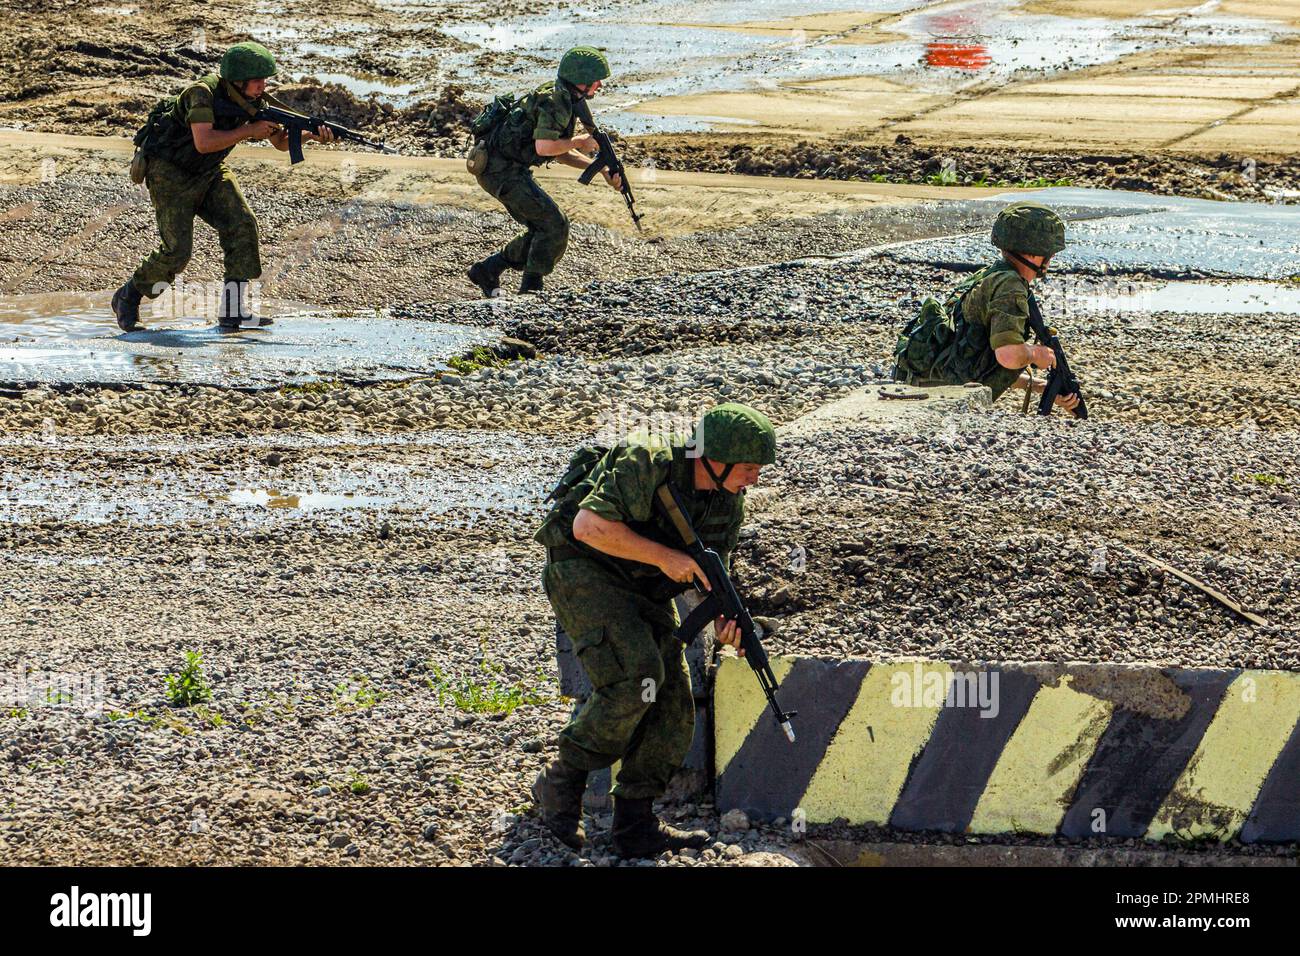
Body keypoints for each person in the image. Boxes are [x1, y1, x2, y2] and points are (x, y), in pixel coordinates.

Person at [531, 403, 776, 857]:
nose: (754, 479)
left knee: (672, 699)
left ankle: (635, 824)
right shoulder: (648, 461)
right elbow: (588, 527)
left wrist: (727, 621)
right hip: (586, 568)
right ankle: (561, 784)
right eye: (747, 468)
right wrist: (665, 558)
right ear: (714, 459)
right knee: (633, 678)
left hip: (644, 584)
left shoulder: (726, 501)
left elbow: (710, 577)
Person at [112, 41, 334, 333]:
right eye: (257, 81)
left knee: (242, 225)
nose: (262, 86)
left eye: (264, 80)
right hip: (170, 172)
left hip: (210, 171)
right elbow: (204, 142)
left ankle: (233, 311)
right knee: (177, 251)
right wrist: (247, 131)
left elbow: (281, 143)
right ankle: (128, 297)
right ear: (237, 81)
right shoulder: (200, 94)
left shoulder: (254, 101)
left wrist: (311, 137)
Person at [891, 200, 1082, 412]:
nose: (1052, 257)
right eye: (1050, 251)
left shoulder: (990, 275)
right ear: (1034, 251)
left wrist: (1043, 387)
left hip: (920, 383)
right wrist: (1036, 354)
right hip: (935, 397)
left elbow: (978, 362)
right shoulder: (1009, 286)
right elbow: (1008, 355)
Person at [467, 46, 623, 297]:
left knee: (545, 225)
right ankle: (531, 290)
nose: (600, 86)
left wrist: (601, 169)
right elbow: (545, 147)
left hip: (507, 167)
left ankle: (488, 270)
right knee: (553, 224)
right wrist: (579, 141)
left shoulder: (563, 98)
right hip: (499, 171)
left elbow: (559, 152)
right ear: (580, 82)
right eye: (596, 82)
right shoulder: (556, 102)